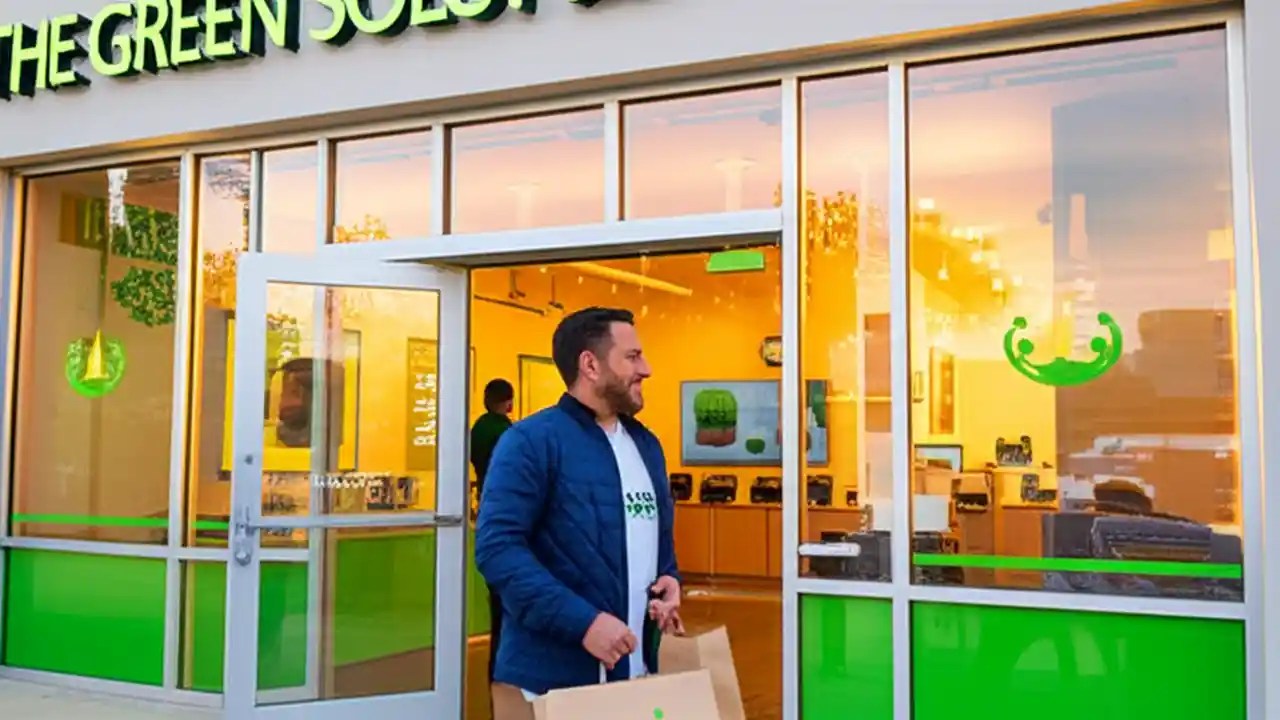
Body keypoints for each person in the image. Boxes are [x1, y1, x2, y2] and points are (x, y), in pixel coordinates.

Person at [475, 307, 683, 704]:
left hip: (638, 675)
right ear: (590, 364)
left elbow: (655, 540)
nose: (647, 368)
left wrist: (669, 579)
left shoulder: (646, 446)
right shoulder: (530, 442)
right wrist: (583, 624)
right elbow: (498, 550)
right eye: (633, 357)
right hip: (556, 684)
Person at [470, 378, 514, 688]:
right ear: (508, 402)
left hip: (485, 503)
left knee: (494, 592)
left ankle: (492, 666)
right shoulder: (509, 433)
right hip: (506, 507)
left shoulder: (477, 429)